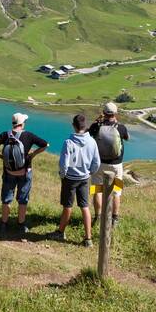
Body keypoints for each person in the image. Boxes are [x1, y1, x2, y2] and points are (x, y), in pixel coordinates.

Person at [0, 112, 48, 236]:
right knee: (23, 199)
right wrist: (32, 155)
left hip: (9, 172)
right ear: (22, 123)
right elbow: (45, 144)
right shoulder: (28, 135)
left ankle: (4, 224)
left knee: (6, 199)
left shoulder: (5, 135)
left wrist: (1, 157)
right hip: (24, 173)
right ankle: (21, 225)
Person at [56, 112, 101, 246]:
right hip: (84, 178)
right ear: (84, 125)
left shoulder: (68, 142)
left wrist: (62, 175)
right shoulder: (92, 141)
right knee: (85, 206)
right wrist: (89, 172)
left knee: (67, 206)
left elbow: (63, 163)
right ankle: (88, 238)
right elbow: (96, 162)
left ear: (73, 126)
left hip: (70, 178)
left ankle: (60, 232)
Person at [89, 101, 130, 229]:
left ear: (104, 113)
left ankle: (98, 216)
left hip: (99, 164)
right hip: (116, 165)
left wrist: (97, 121)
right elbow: (127, 138)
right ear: (115, 113)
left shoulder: (96, 126)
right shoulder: (121, 127)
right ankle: (115, 218)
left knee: (97, 190)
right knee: (117, 191)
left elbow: (89, 133)